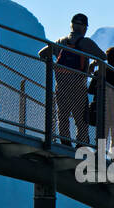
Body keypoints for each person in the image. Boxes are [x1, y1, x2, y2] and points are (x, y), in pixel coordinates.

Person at [38, 13, 105, 146]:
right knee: (81, 118)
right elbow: (103, 57)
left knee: (62, 115)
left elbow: (42, 54)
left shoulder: (60, 41)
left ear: (71, 25)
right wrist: (92, 64)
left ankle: (65, 142)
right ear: (85, 28)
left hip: (61, 85)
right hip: (78, 86)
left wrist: (53, 65)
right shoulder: (86, 43)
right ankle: (81, 144)